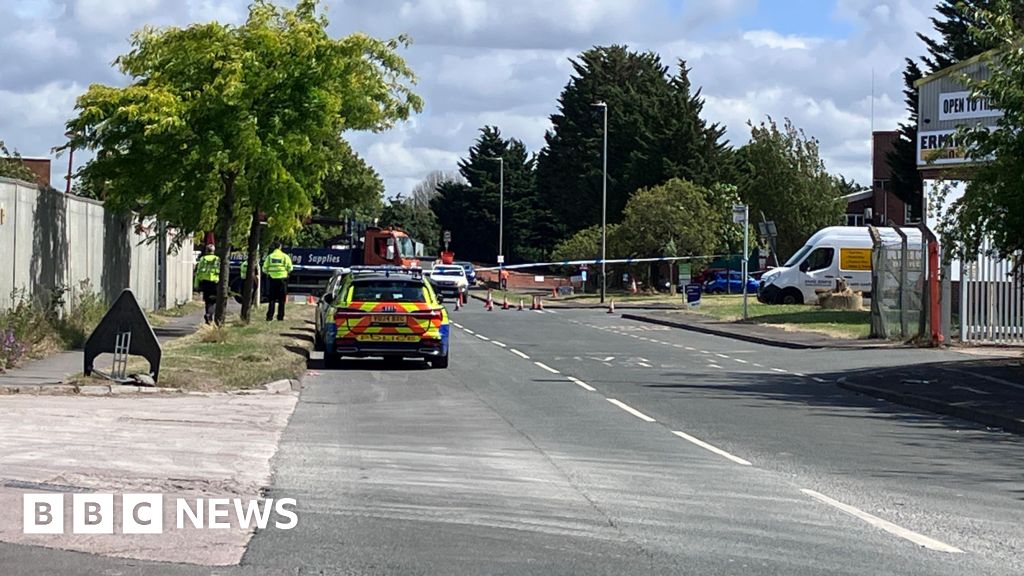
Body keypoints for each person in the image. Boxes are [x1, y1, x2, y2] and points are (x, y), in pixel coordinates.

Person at [262, 243, 293, 321]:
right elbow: (290, 268)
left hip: (272, 280)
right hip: (282, 280)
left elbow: (264, 268)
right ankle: (280, 317)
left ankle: (269, 316)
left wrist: (270, 273)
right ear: (280, 247)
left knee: (272, 299)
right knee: (281, 299)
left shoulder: (270, 257)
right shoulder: (285, 256)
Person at [194, 244, 220, 324]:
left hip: (205, 282)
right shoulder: (217, 259)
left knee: (207, 301)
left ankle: (208, 317)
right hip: (214, 282)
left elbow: (198, 273)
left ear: (206, 250)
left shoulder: (202, 259)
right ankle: (209, 315)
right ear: (213, 251)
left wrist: (196, 285)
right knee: (213, 301)